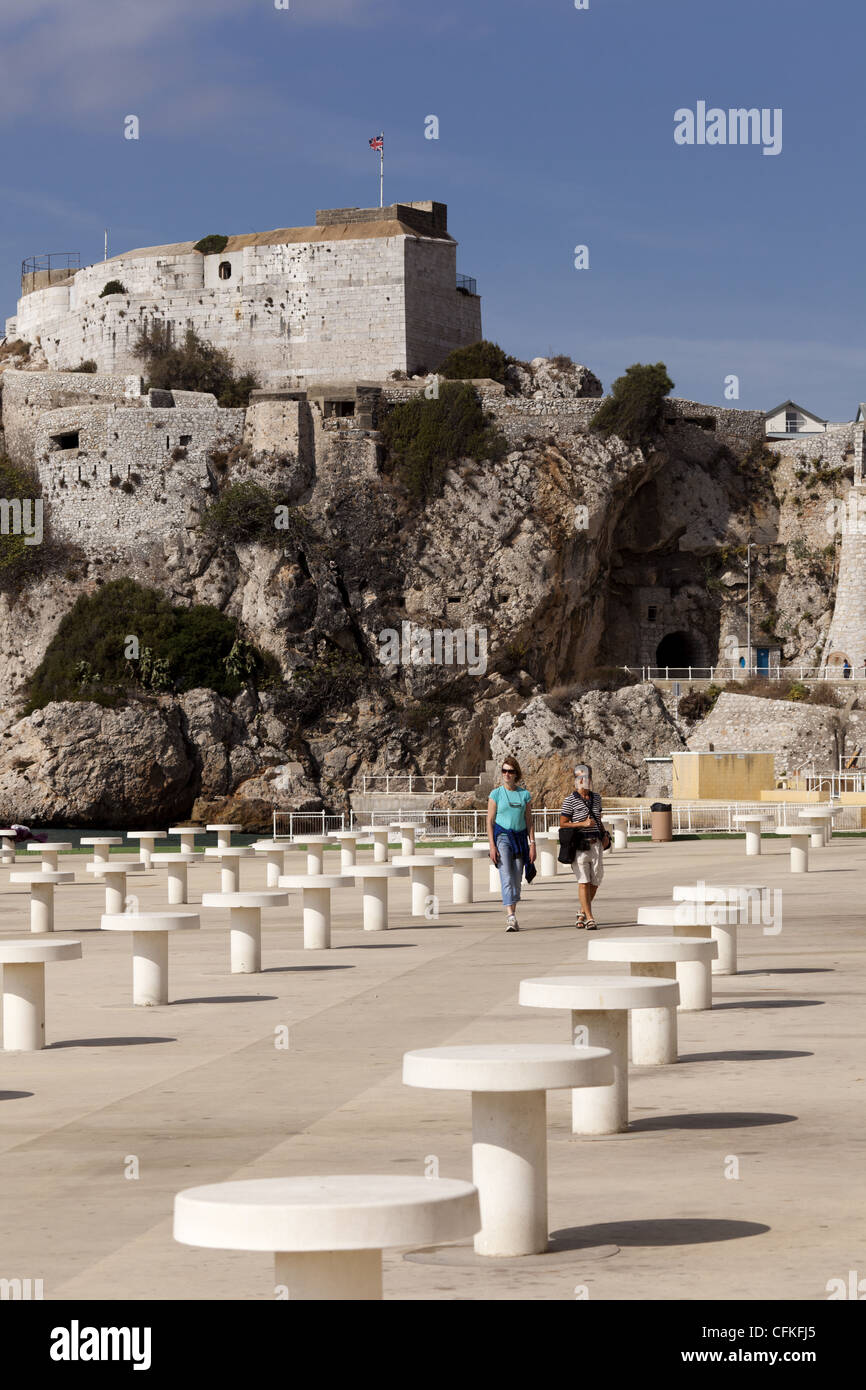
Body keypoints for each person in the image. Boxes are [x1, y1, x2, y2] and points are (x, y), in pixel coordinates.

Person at [487, 756, 536, 932]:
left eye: (510, 771)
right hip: (502, 838)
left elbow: (529, 821)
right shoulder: (496, 794)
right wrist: (492, 845)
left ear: (516, 774)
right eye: (504, 771)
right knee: (506, 876)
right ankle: (510, 917)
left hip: (520, 839)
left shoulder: (525, 795)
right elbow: (490, 821)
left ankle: (513, 913)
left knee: (516, 879)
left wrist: (532, 844)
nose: (507, 774)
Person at [560, 763, 607, 930]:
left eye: (586, 777)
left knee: (595, 881)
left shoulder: (597, 798)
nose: (583, 780)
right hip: (579, 845)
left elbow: (598, 819)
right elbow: (563, 824)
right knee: (583, 882)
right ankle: (590, 918)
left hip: (596, 845)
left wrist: (604, 834)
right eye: (579, 777)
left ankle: (581, 911)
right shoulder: (569, 800)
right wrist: (582, 823)